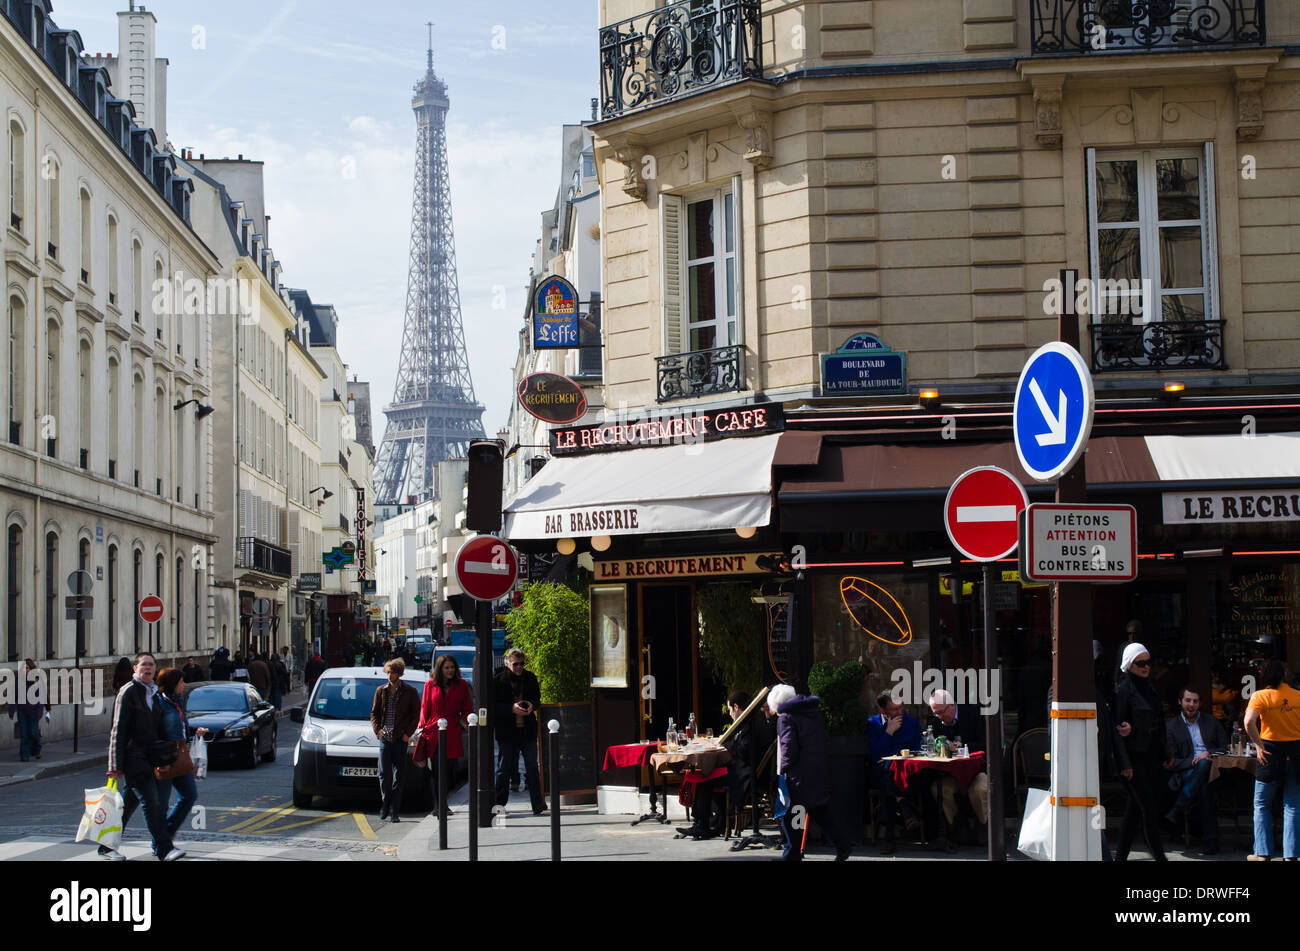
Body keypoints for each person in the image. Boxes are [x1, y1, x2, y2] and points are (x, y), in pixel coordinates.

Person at [100, 652, 183, 862]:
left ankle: (106, 847)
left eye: (151, 665)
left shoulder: (154, 693)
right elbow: (117, 730)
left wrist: (166, 758)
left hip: (150, 756)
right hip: (133, 757)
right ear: (135, 669)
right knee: (151, 802)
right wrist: (114, 765)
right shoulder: (127, 692)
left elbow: (158, 729)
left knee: (128, 805)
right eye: (143, 665)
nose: (148, 668)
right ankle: (164, 849)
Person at [768, 683, 851, 861]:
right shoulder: (812, 712)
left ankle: (792, 853)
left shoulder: (786, 717)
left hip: (799, 775)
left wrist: (783, 770)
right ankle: (842, 845)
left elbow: (789, 748)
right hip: (818, 769)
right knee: (820, 811)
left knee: (793, 815)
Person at [676, 690, 775, 840]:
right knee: (709, 775)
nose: (729, 714)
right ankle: (718, 823)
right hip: (748, 771)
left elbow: (744, 750)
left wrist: (729, 744)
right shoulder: (750, 722)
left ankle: (702, 826)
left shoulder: (751, 724)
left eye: (729, 709)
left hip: (748, 775)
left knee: (705, 778)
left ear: (736, 707)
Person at [1112, 643, 1169, 861]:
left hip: (1151, 758)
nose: (1146, 667)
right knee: (1148, 809)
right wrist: (1124, 764)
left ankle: (1120, 858)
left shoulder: (1150, 687)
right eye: (1141, 663)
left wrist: (1166, 752)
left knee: (1134, 810)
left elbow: (1157, 722)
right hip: (1133, 760)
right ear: (1130, 664)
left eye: (1148, 662)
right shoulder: (1124, 691)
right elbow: (1118, 730)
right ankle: (1160, 858)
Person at [1243, 659, 1300, 861]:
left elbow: (1249, 721)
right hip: (1296, 753)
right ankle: (1291, 855)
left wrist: (1258, 745)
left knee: (1262, 804)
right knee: (1292, 805)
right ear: (1285, 676)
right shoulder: (1298, 696)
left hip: (1270, 753)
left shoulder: (1260, 696)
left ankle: (1262, 853)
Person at [1164, 686, 1228, 855]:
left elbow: (1225, 747)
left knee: (1204, 781)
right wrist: (1195, 762)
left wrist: (1209, 753)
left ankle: (1179, 806)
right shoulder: (1171, 727)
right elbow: (1171, 762)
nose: (1191, 705)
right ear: (1180, 702)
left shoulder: (1212, 721)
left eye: (1195, 701)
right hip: (1187, 772)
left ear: (1200, 703)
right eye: (1188, 700)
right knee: (1203, 771)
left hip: (1213, 772)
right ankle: (1211, 841)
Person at [926, 688, 989, 846]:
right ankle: (958, 826)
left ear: (952, 706)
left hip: (977, 769)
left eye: (941, 712)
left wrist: (960, 748)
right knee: (939, 789)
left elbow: (986, 744)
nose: (939, 717)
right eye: (936, 713)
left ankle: (985, 825)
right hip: (952, 772)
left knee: (980, 788)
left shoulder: (973, 714)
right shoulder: (935, 722)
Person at [415, 654, 473, 814]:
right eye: (447, 668)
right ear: (440, 669)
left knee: (449, 771)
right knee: (436, 771)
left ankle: (443, 803)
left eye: (452, 668)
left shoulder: (461, 685)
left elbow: (468, 708)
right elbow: (424, 708)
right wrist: (421, 727)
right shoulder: (430, 685)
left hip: (452, 732)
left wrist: (464, 723)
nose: (450, 671)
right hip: (433, 732)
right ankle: (438, 806)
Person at [866, 690, 922, 854]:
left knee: (889, 774)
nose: (899, 713)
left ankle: (889, 835)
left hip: (907, 772)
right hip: (881, 773)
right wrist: (888, 732)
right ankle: (904, 808)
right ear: (883, 711)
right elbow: (875, 755)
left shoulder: (912, 723)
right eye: (894, 710)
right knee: (887, 772)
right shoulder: (872, 724)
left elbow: (918, 750)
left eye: (900, 708)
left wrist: (898, 758)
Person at [155, 668, 205, 848]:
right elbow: (155, 731)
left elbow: (180, 726)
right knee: (160, 805)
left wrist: (193, 731)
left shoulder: (177, 702)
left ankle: (165, 836)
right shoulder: (158, 703)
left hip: (180, 755)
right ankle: (161, 843)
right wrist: (159, 759)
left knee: (189, 795)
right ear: (172, 684)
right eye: (181, 682)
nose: (183, 686)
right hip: (164, 756)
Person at [493, 649, 545, 815]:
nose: (519, 667)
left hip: (527, 730)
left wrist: (532, 705)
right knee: (504, 768)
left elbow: (537, 698)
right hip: (507, 731)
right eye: (516, 664)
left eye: (522, 664)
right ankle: (499, 804)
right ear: (507, 663)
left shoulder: (530, 677)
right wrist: (511, 708)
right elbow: (492, 706)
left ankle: (537, 804)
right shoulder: (498, 680)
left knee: (532, 766)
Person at [369, 659, 420, 822]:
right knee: (384, 774)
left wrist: (408, 734)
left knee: (399, 775)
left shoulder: (409, 691)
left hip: (400, 738)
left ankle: (395, 810)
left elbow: (415, 715)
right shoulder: (380, 691)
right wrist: (378, 730)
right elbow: (374, 714)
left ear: (399, 673)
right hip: (385, 738)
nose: (390, 675)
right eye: (388, 672)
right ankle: (385, 803)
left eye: (393, 672)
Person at [6, 659, 45, 761]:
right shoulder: (19, 680)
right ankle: (25, 756)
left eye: (27, 668)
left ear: (31, 669)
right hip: (22, 711)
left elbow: (41, 697)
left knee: (33, 732)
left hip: (33, 711)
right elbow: (13, 696)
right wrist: (11, 710)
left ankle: (36, 749)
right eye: (23, 668)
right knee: (24, 734)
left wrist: (39, 711)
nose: (25, 670)